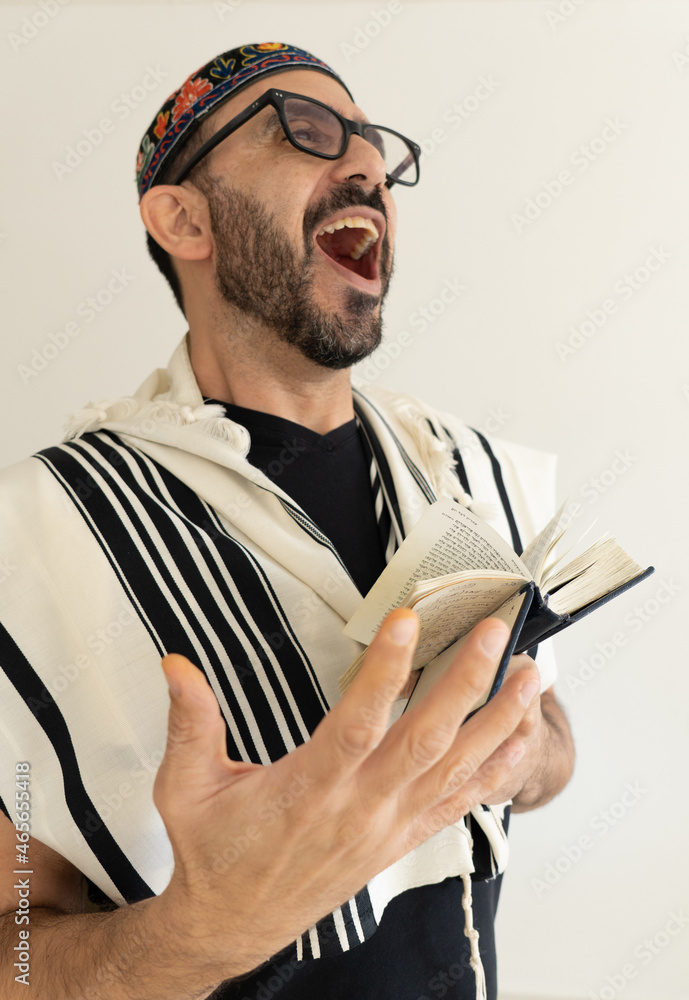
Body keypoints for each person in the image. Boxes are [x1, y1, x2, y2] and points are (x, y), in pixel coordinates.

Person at [0, 43, 574, 999]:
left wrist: (521, 754)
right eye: (306, 131)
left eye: (374, 149)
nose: (364, 167)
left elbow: (551, 743)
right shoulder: (39, 540)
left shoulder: (473, 476)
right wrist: (191, 936)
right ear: (183, 218)